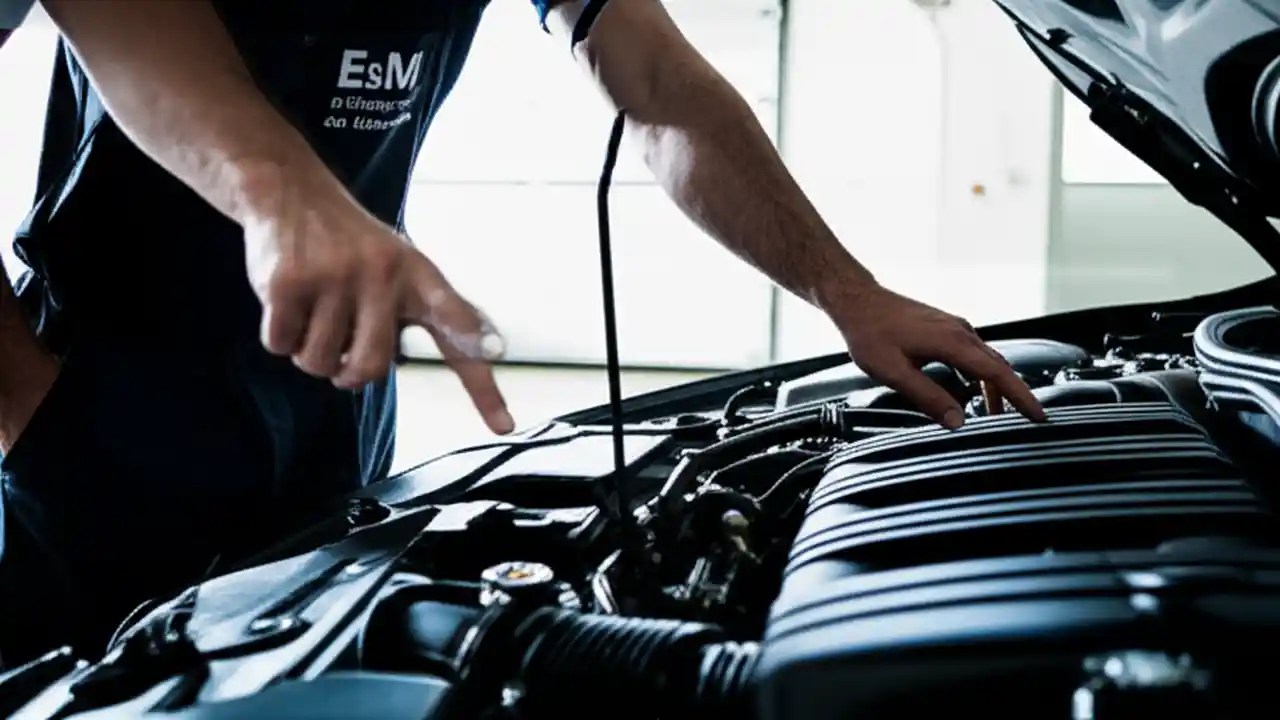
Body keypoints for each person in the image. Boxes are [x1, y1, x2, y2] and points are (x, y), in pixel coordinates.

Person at [0, 0, 1045, 662]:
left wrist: (842, 290)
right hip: (95, 427)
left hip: (337, 416)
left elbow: (660, 89)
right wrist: (21, 402)